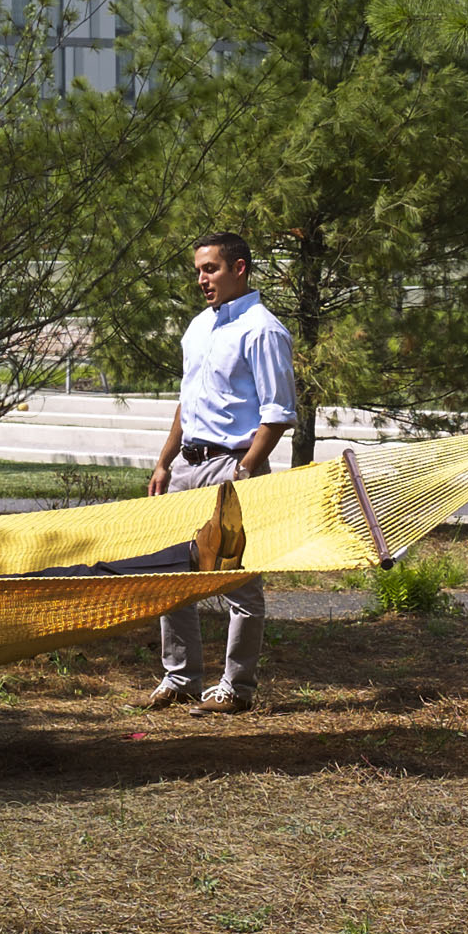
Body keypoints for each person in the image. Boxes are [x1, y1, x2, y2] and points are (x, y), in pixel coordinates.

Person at [147, 230, 295, 713]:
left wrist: (246, 469)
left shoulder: (263, 329)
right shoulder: (198, 328)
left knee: (237, 580)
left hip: (233, 467)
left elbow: (277, 414)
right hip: (188, 466)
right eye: (198, 271)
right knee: (173, 576)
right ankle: (181, 677)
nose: (202, 280)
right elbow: (187, 404)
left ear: (239, 268)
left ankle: (237, 687)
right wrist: (164, 461)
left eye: (210, 269)